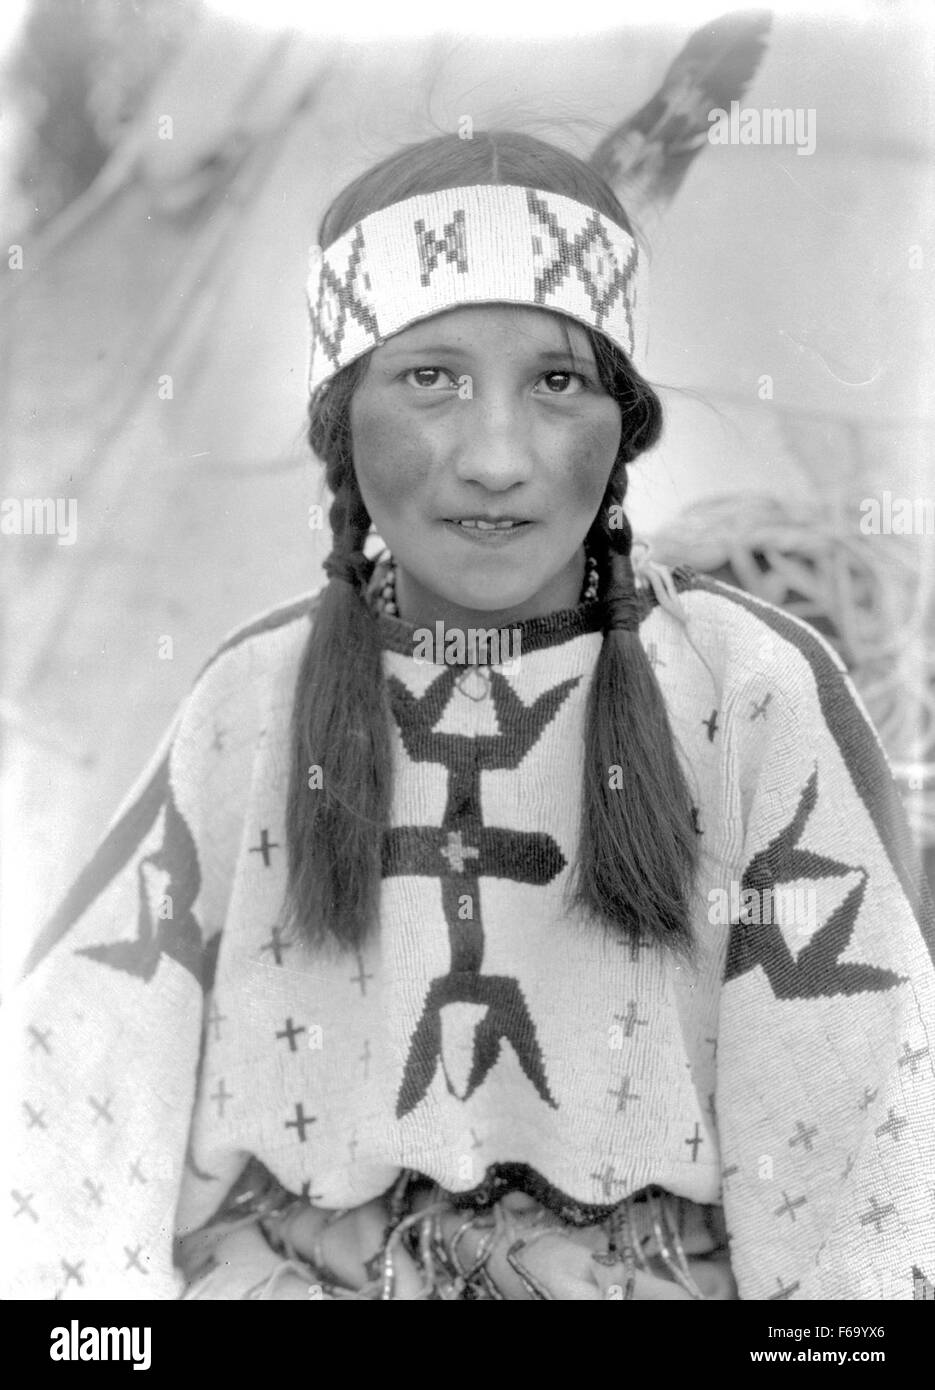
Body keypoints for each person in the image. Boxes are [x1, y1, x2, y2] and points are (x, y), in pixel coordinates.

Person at [4, 130, 933, 1301]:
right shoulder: (255, 701)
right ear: (343, 420)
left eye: (556, 382)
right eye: (429, 377)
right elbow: (67, 1107)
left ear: (621, 423)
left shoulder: (747, 690)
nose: (496, 457)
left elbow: (858, 1154)